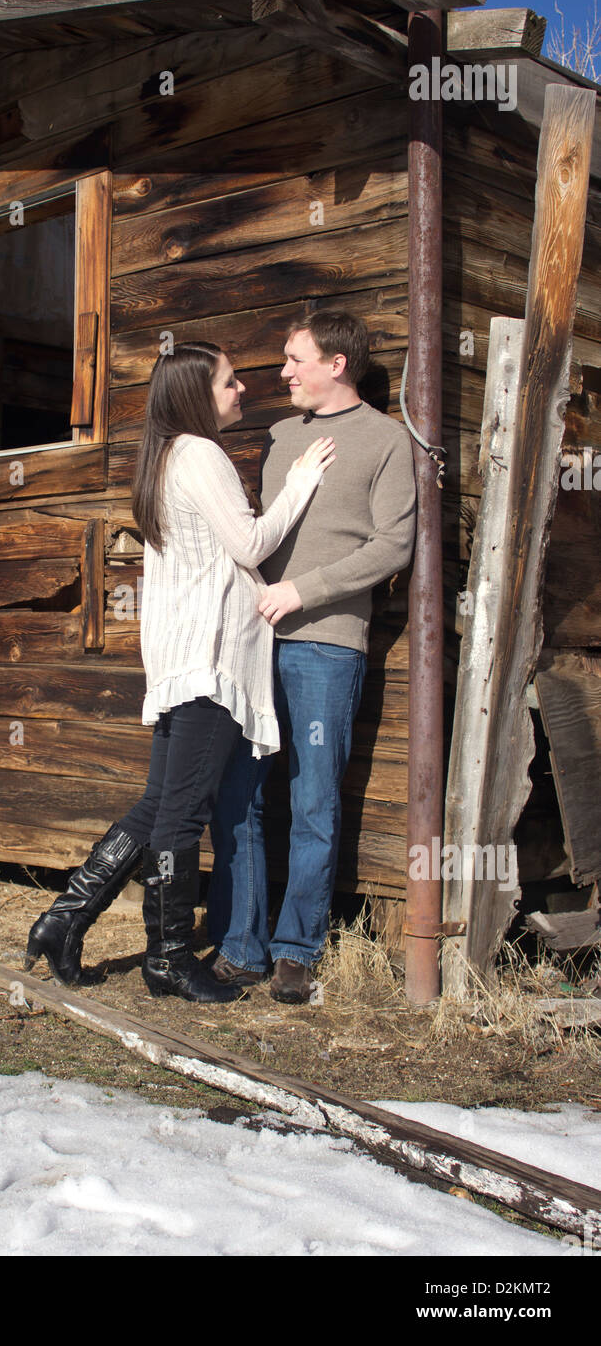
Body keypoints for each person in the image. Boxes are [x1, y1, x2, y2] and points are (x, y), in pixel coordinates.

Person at [25, 341, 335, 1003]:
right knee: (181, 821)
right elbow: (251, 544)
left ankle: (64, 918)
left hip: (182, 663)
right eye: (230, 382)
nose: (242, 390)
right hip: (210, 664)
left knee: (157, 808)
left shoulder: (165, 459)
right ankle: (166, 958)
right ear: (198, 393)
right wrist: (301, 484)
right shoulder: (200, 455)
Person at [207, 312, 417, 1003]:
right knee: (238, 794)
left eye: (296, 360)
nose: (284, 373)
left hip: (327, 646)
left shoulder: (387, 441)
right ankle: (240, 947)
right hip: (255, 644)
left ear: (337, 364)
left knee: (313, 799)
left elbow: (392, 547)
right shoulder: (277, 437)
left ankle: (296, 949)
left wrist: (305, 590)